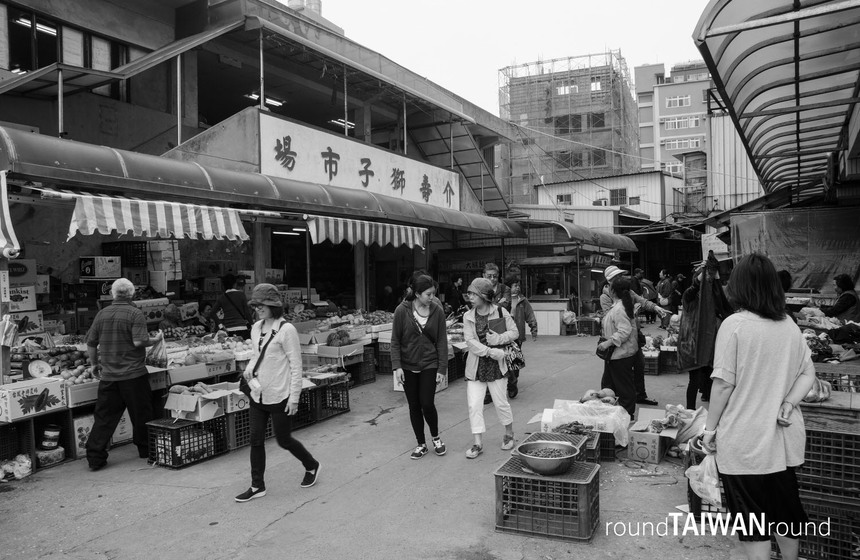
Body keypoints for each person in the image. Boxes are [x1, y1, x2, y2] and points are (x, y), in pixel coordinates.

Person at [701, 253, 815, 559]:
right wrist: (789, 403)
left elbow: (723, 384)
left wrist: (709, 431)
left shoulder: (734, 324)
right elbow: (808, 372)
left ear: (738, 286)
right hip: (782, 443)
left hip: (744, 443)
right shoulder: (789, 324)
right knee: (785, 513)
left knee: (753, 522)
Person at [235, 283, 320, 503]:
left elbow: (296, 366)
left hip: (280, 395)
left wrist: (294, 398)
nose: (258, 308)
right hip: (258, 394)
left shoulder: (286, 330)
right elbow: (257, 354)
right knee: (255, 440)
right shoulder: (255, 328)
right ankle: (257, 485)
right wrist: (249, 369)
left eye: (262, 304)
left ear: (273, 305)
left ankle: (311, 465)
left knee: (284, 440)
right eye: (255, 304)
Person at [85, 278, 163, 471]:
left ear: (113, 294)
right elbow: (139, 342)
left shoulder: (102, 314)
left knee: (104, 418)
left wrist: (94, 364)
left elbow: (91, 343)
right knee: (142, 415)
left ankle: (95, 458)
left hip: (109, 376)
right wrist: (155, 340)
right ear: (132, 294)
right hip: (134, 376)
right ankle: (146, 451)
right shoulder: (135, 313)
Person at [392, 274, 448, 459]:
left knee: (427, 403)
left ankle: (436, 437)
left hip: (429, 364)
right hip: (407, 365)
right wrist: (397, 366)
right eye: (428, 294)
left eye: (433, 294)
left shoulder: (437, 311)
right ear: (417, 294)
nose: (432, 298)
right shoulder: (402, 311)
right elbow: (395, 341)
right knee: (414, 405)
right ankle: (421, 443)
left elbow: (441, 341)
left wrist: (441, 369)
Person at [462, 277, 518, 459]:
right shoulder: (468, 315)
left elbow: (514, 332)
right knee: (474, 405)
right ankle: (477, 443)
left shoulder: (500, 311)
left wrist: (498, 340)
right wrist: (490, 351)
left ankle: (509, 434)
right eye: (469, 293)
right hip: (476, 366)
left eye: (473, 293)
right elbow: (470, 342)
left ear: (484, 296)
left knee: (501, 402)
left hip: (497, 366)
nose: (470, 296)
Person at [600, 265, 667, 406]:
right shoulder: (607, 296)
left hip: (629, 337)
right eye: (617, 277)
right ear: (610, 281)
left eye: (621, 275)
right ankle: (612, 401)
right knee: (614, 377)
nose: (621, 278)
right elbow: (610, 319)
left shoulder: (626, 291)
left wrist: (655, 307)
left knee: (636, 369)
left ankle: (637, 397)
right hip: (616, 342)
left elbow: (642, 301)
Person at [679, 253, 732, 410]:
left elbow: (722, 304)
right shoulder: (690, 297)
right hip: (692, 344)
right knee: (694, 380)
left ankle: (708, 401)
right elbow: (692, 289)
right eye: (705, 281)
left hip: (709, 342)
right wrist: (700, 279)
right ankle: (690, 410)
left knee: (711, 376)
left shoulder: (711, 298)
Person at [597, 276, 638, 419]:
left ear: (613, 291)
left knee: (623, 387)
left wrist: (607, 343)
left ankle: (627, 415)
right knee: (608, 385)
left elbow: (624, 331)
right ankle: (613, 412)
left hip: (621, 354)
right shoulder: (618, 306)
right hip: (615, 354)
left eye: (609, 287)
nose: (606, 288)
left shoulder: (619, 309)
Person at [506, 275, 537, 399]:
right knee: (507, 361)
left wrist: (533, 328)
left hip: (517, 336)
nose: (517, 288)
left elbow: (530, 315)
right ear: (509, 287)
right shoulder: (503, 301)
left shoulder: (523, 301)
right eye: (515, 285)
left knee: (515, 360)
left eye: (518, 285)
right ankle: (510, 382)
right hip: (503, 336)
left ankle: (513, 382)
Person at [213, 273, 254, 339]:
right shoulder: (241, 295)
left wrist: (220, 325)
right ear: (235, 284)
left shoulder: (221, 298)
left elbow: (212, 313)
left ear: (223, 285)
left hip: (229, 330)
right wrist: (252, 325)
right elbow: (247, 313)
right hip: (242, 328)